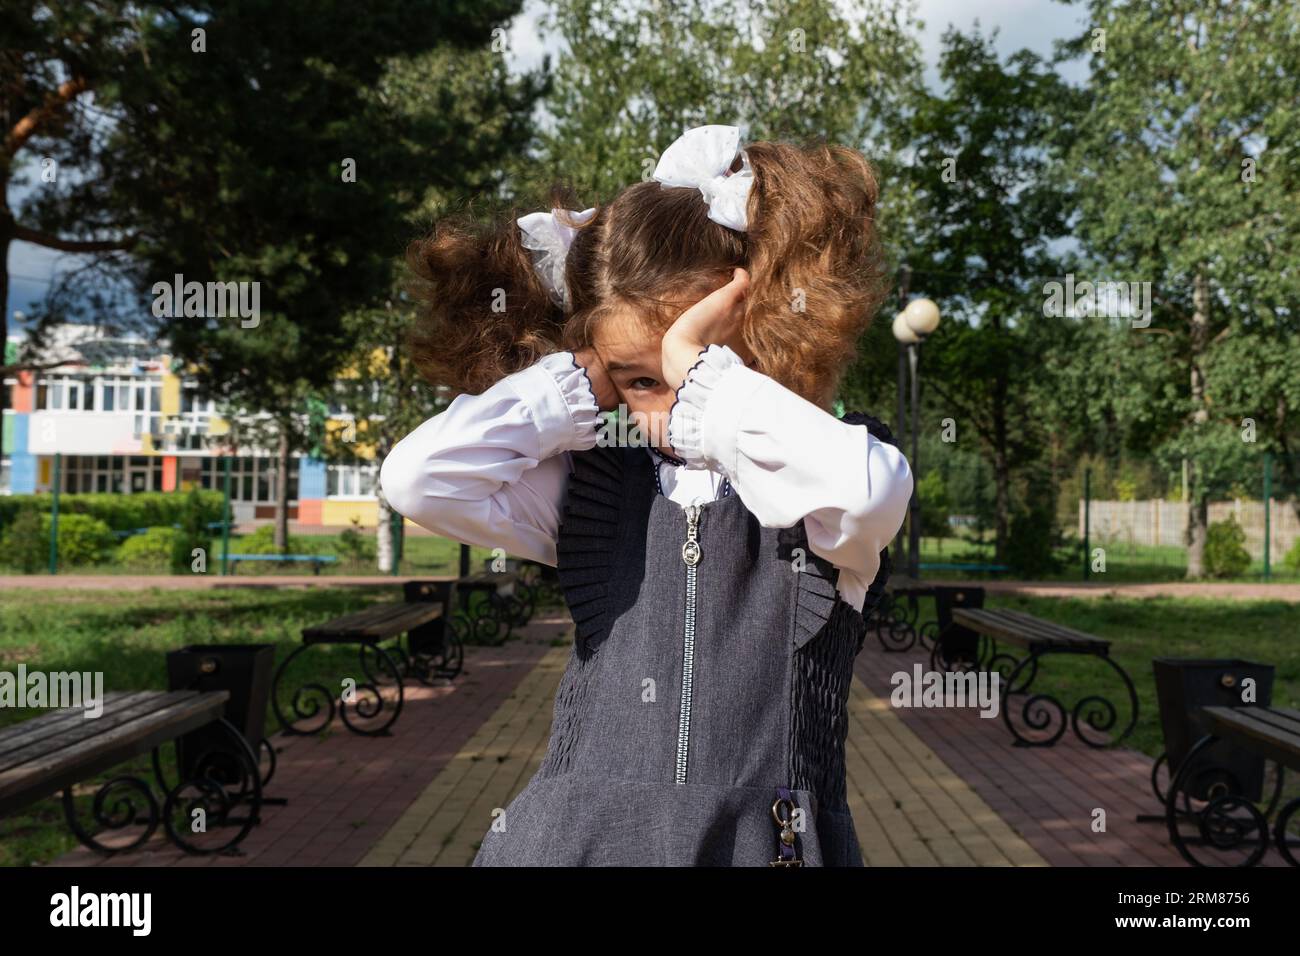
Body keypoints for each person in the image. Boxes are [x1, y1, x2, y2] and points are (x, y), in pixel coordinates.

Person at [381, 125, 913, 866]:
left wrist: (698, 375)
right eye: (639, 382)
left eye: (699, 365)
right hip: (572, 846)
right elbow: (419, 479)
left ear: (771, 339)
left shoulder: (822, 499)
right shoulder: (598, 488)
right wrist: (573, 378)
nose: (671, 409)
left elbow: (870, 492)